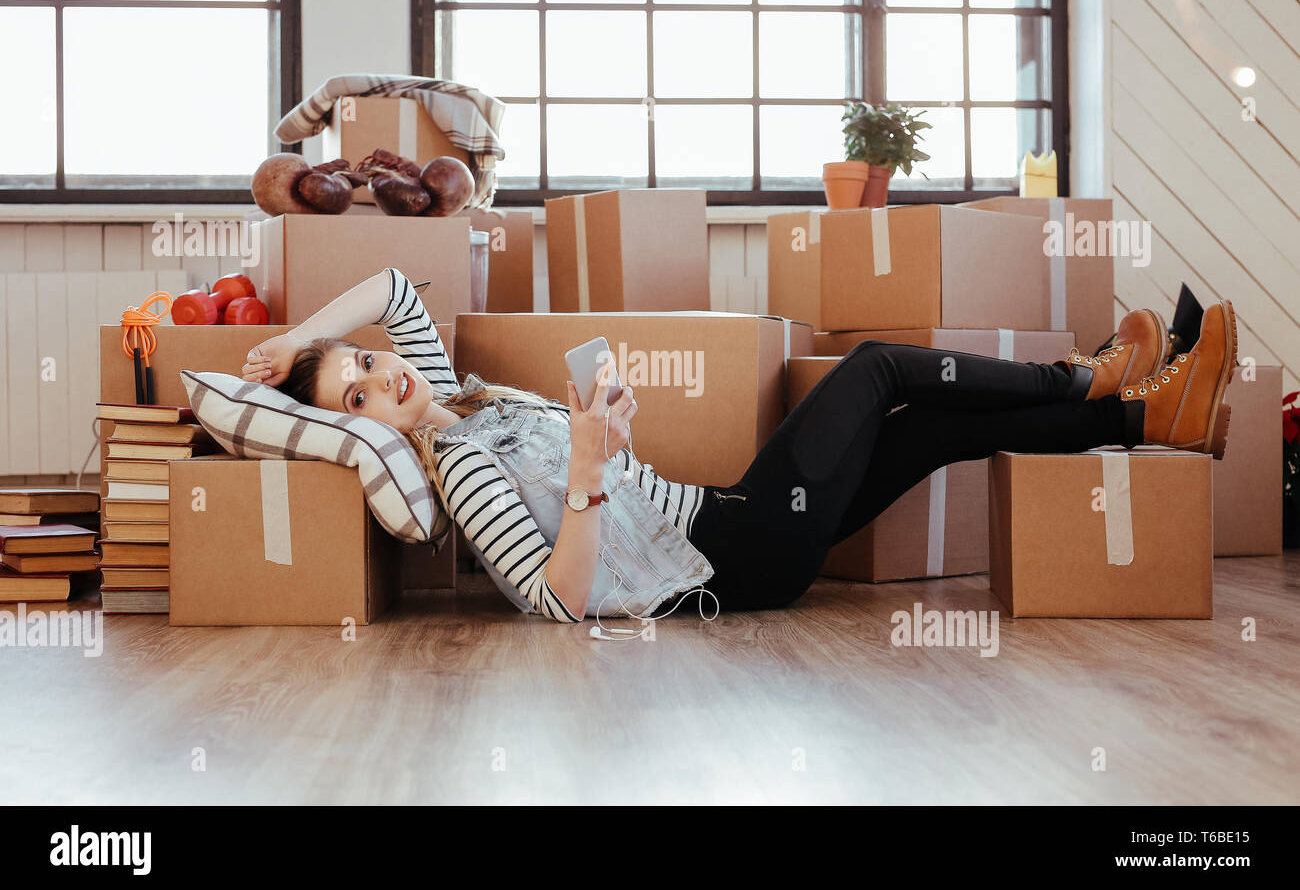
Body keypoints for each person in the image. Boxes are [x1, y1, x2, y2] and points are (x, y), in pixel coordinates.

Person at [244, 267, 1237, 626]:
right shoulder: (454, 467)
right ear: (360, 432)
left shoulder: (454, 400)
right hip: (738, 551)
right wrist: (588, 477)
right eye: (360, 400)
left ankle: (1149, 417)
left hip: (733, 518)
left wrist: (295, 342)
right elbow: (556, 601)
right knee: (879, 367)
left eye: (366, 365)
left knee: (928, 431)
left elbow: (393, 287)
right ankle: (1083, 376)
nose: (385, 381)